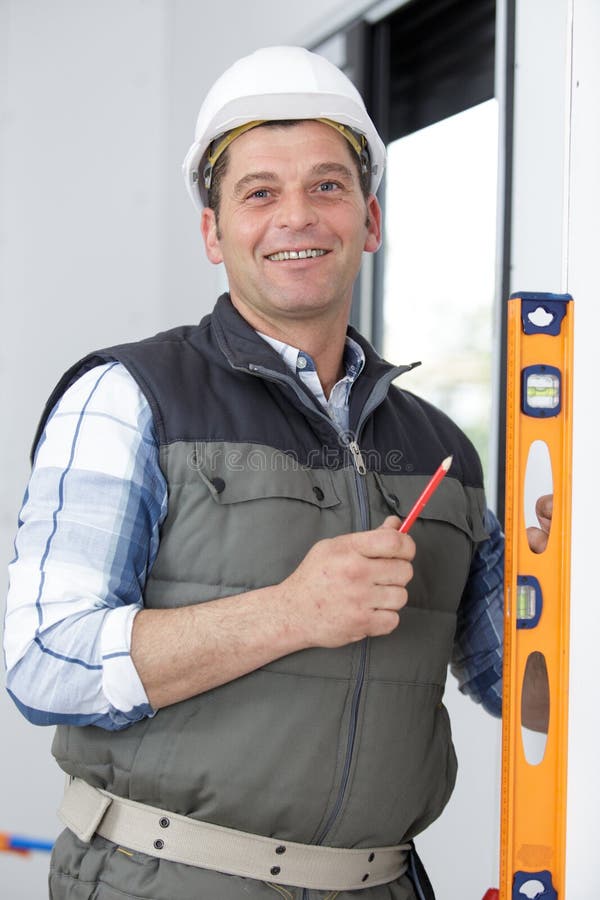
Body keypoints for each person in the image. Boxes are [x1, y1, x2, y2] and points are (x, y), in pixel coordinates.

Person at [4, 46, 551, 900]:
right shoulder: (128, 398)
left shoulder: (445, 448)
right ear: (213, 231)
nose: (297, 216)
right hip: (161, 883)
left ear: (371, 220)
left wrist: (564, 573)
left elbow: (523, 689)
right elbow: (46, 663)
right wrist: (289, 614)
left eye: (327, 186)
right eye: (260, 192)